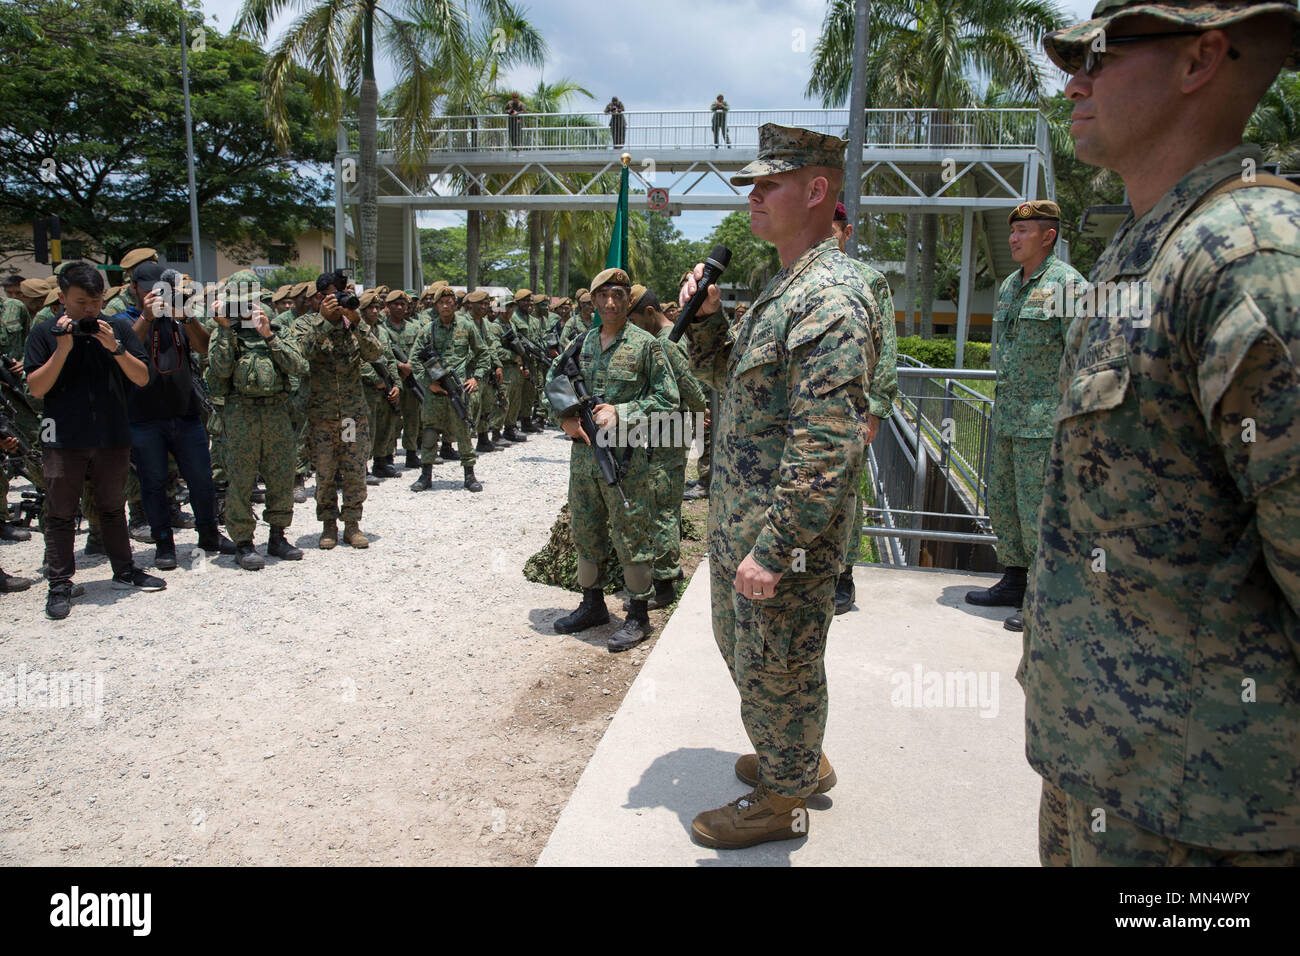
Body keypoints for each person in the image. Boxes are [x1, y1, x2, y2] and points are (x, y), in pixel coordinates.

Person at [1025, 0, 1300, 866]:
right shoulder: (1148, 250)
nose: (1075, 80)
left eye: (1101, 54)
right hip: (1101, 771)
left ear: (1199, 61)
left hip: (1204, 814)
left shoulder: (1250, 260)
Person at [681, 124, 881, 849]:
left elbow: (824, 444)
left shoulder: (830, 296)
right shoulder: (786, 286)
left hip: (779, 536)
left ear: (817, 190)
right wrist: (706, 322)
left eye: (769, 184)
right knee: (759, 657)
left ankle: (783, 798)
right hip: (744, 520)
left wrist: (775, 548)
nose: (754, 195)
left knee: (778, 663)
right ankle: (797, 757)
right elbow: (735, 387)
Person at [23, 262, 167, 620]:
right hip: (62, 437)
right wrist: (63, 349)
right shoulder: (44, 333)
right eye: (81, 302)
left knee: (112, 506)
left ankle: (124, 569)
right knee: (59, 512)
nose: (90, 309)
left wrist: (115, 348)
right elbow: (37, 387)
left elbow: (143, 378)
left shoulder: (117, 328)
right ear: (62, 297)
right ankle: (60, 584)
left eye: (96, 301)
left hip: (111, 434)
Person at [965, 200, 1083, 631]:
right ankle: (1014, 580)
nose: (1013, 238)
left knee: (1039, 512)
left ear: (1048, 236)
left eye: (1024, 232)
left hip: (1045, 422)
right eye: (1012, 232)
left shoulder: (1068, 286)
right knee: (1005, 505)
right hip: (1010, 417)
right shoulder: (1011, 285)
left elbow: (1083, 354)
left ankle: (1043, 596)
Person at [548, 267, 679, 652]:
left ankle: (638, 614)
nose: (610, 302)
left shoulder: (645, 345)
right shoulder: (580, 344)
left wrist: (622, 411)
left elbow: (668, 400)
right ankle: (593, 605)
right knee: (586, 529)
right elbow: (552, 387)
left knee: (631, 531)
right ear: (592, 301)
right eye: (603, 295)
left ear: (628, 300)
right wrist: (567, 421)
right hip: (584, 459)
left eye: (618, 295)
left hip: (627, 459)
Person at [122, 263, 234, 570]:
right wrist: (147, 316)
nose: (155, 295)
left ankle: (209, 534)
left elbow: (204, 347)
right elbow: (123, 349)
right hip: (144, 418)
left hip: (185, 414)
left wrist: (187, 318)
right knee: (154, 483)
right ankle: (163, 544)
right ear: (133, 289)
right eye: (148, 289)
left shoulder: (177, 317)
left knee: (201, 479)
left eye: (160, 290)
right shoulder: (125, 319)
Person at [205, 271, 308, 570]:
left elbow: (299, 365)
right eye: (237, 305)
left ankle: (277, 535)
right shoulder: (224, 332)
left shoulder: (276, 329)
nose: (243, 311)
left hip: (276, 411)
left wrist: (269, 336)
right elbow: (220, 372)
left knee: (280, 476)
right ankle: (243, 542)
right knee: (240, 479)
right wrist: (224, 329)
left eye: (248, 304)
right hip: (240, 413)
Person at [831, 200, 900, 613]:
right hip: (803, 411)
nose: (826, 236)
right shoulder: (796, 278)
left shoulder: (869, 281)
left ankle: (844, 576)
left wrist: (876, 408)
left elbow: (886, 347)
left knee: (847, 497)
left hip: (852, 411)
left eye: (833, 229)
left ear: (847, 231)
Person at [629, 285, 708, 608]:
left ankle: (663, 584)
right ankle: (668, 571)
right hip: (668, 431)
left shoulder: (665, 345)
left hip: (667, 434)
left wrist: (700, 413)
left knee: (661, 507)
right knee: (666, 504)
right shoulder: (667, 339)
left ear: (649, 313)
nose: (632, 328)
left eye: (634, 319)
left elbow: (691, 390)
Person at [293, 272, 384, 549]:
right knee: (325, 473)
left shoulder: (353, 325)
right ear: (320, 297)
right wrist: (323, 321)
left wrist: (357, 323)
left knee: (354, 470)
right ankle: (328, 525)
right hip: (321, 417)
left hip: (350, 417)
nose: (340, 300)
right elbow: (298, 356)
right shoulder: (306, 324)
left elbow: (375, 353)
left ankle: (352, 524)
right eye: (334, 295)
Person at [408, 285, 489, 493]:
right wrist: (428, 382)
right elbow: (414, 360)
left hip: (458, 389)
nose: (445, 305)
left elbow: (483, 354)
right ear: (435, 305)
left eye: (449, 302)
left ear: (455, 304)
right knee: (430, 431)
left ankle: (469, 475)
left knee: (463, 429)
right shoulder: (428, 330)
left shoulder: (466, 326)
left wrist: (475, 378)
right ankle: (426, 475)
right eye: (441, 302)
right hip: (434, 392)